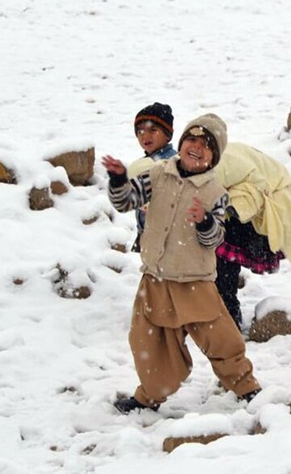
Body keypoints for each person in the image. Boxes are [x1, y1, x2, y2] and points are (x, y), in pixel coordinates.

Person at [101, 113, 261, 414]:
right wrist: (119, 178)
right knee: (146, 344)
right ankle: (149, 395)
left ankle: (246, 387)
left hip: (195, 283)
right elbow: (126, 201)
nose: (196, 147)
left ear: (213, 157)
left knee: (222, 340)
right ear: (182, 142)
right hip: (155, 279)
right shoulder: (157, 174)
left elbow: (215, 239)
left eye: (206, 145)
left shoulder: (215, 193)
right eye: (192, 140)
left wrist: (203, 222)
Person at [213, 142, 291, 329]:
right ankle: (223, 314)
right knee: (220, 266)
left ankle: (228, 318)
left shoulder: (224, 167)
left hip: (254, 203)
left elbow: (256, 187)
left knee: (223, 266)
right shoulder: (207, 163)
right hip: (235, 208)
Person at [126, 102, 178, 253]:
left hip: (167, 238)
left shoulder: (171, 162)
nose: (145, 136)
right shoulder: (145, 164)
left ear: (167, 134)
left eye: (153, 130)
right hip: (149, 233)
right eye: (140, 131)